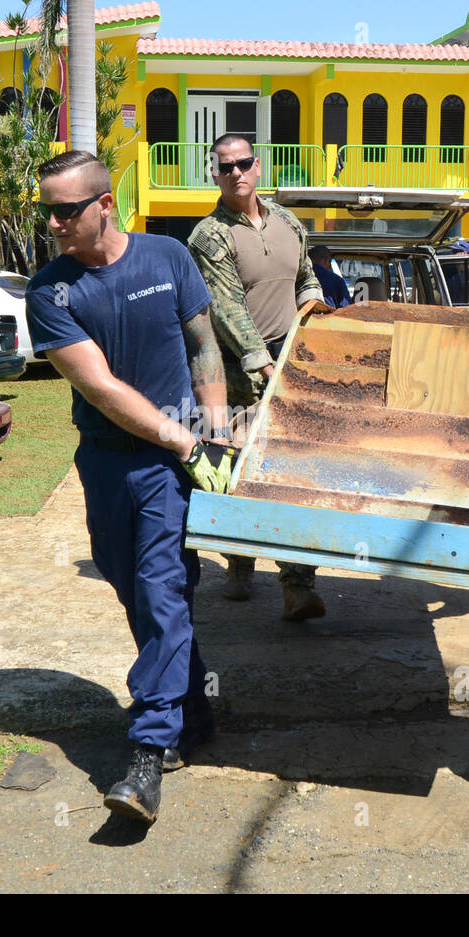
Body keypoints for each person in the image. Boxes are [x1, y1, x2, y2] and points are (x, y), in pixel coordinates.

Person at [25, 150, 235, 825]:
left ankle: (148, 752)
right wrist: (186, 439)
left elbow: (203, 346)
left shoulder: (167, 259)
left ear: (105, 204)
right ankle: (195, 708)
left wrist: (217, 430)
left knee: (161, 587)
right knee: (133, 588)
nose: (55, 222)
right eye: (48, 210)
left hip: (171, 468)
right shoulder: (50, 291)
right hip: (111, 461)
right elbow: (103, 390)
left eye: (67, 209)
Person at [188, 133, 327, 621]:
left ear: (259, 166)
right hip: (239, 376)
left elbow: (307, 276)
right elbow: (226, 309)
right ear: (215, 174)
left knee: (294, 477)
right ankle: (240, 561)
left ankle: (297, 585)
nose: (236, 173)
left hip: (292, 368)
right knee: (240, 476)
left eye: (243, 163)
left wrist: (314, 307)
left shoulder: (289, 222)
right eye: (225, 167)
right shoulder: (209, 236)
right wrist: (264, 364)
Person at [308, 244, 352, 308]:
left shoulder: (298, 278)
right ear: (326, 261)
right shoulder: (336, 280)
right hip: (328, 317)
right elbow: (346, 309)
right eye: (330, 262)